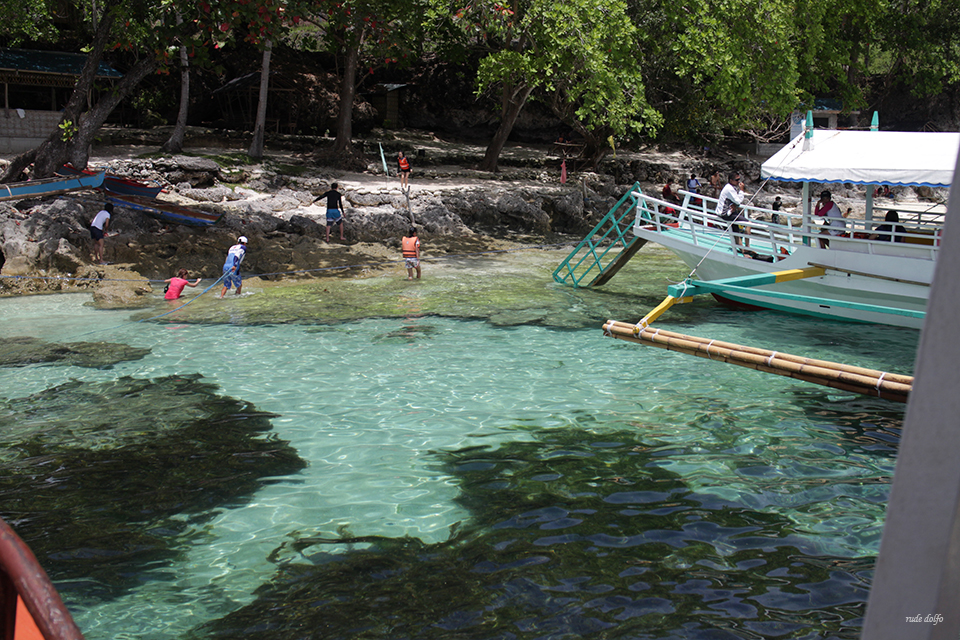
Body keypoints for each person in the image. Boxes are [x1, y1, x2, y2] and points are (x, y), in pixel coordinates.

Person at [716, 172, 750, 248]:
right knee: (749, 223)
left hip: (729, 212)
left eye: (739, 179)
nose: (738, 181)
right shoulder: (729, 189)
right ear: (731, 180)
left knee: (735, 229)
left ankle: (742, 249)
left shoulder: (730, 187)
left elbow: (735, 201)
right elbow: (738, 201)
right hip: (725, 213)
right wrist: (742, 190)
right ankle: (747, 247)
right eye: (736, 180)